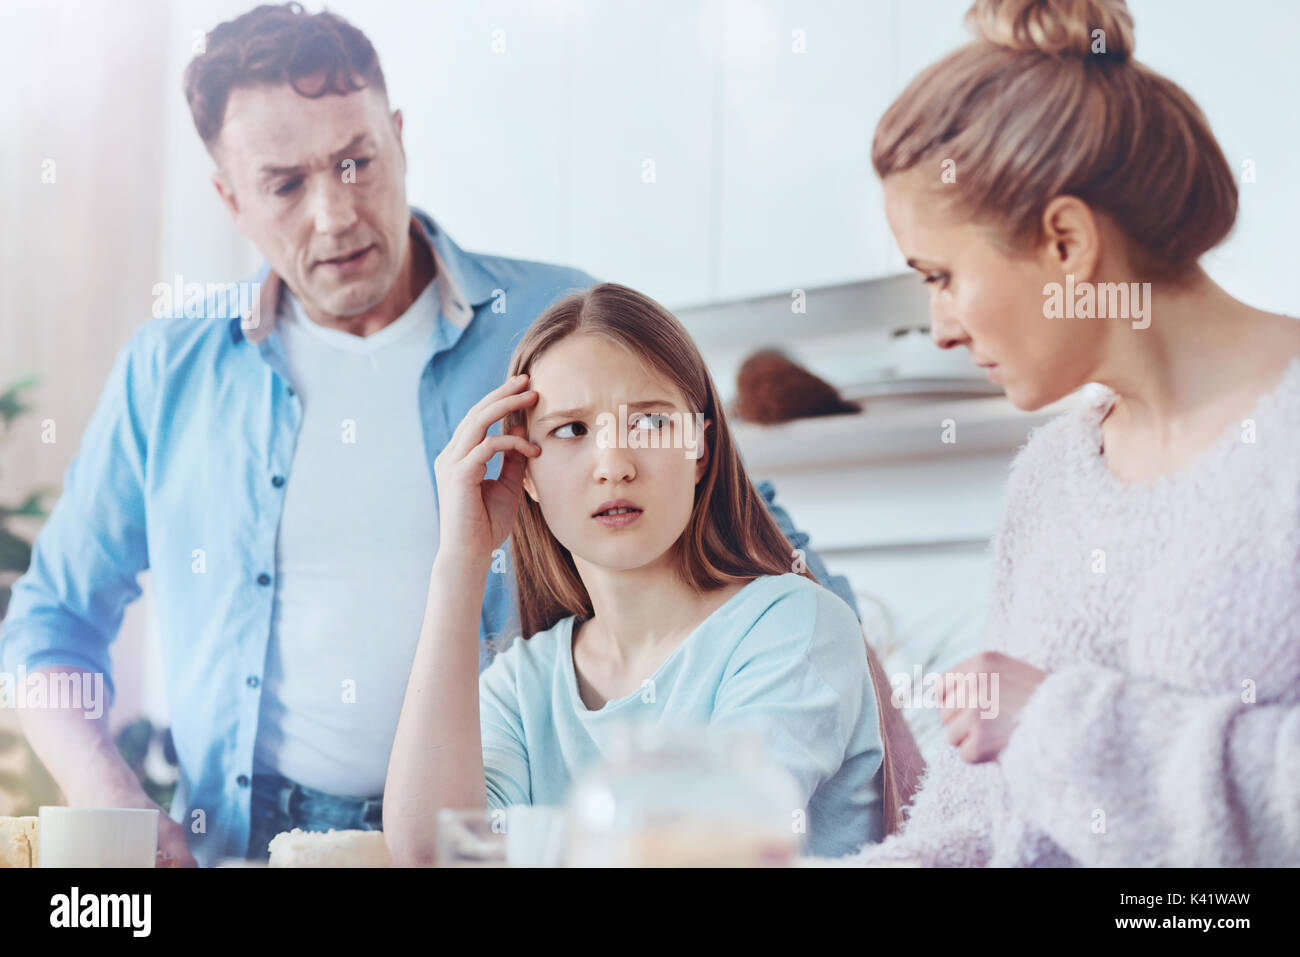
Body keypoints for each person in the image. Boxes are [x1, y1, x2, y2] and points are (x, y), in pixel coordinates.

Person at [0, 4, 854, 867]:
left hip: (496, 829)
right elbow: (51, 620)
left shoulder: (550, 323)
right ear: (230, 199)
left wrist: (876, 723)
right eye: (287, 185)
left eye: (356, 161)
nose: (336, 214)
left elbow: (748, 528)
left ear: (398, 138)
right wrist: (108, 798)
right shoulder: (169, 370)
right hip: (246, 839)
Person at [847, 0, 1300, 867]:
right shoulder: (1051, 479)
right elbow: (976, 828)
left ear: (1065, 241)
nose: (938, 327)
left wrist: (1058, 720)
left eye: (941, 276)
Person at [384, 283, 905, 864]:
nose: (614, 466)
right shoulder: (520, 684)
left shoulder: (795, 626)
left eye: (651, 424)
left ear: (701, 450)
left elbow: (705, 850)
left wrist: (508, 844)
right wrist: (460, 562)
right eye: (572, 430)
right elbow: (430, 852)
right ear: (523, 471)